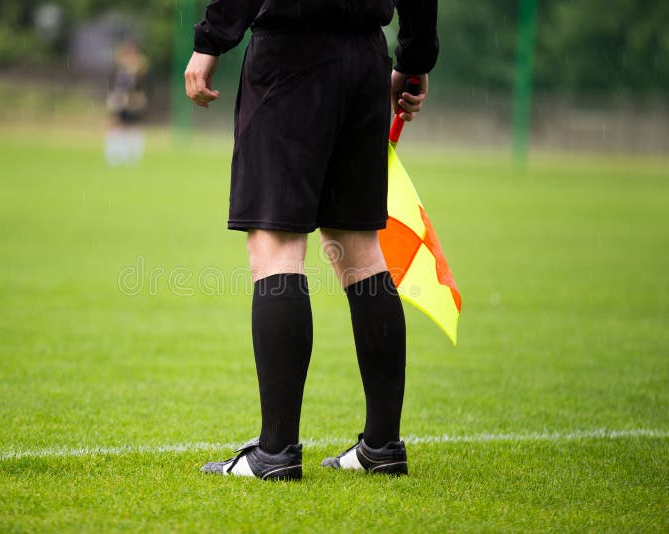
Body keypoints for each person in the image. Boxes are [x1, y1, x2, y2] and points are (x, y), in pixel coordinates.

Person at [185, 1, 438, 480]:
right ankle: (382, 446)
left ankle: (275, 453)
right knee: (360, 250)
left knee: (276, 246)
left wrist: (211, 41)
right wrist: (415, 58)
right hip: (365, 60)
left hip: (291, 56)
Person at [105, 41, 149, 166]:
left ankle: (133, 158)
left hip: (134, 102)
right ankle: (115, 156)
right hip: (120, 100)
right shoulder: (120, 69)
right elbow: (115, 84)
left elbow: (141, 85)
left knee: (133, 127)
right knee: (116, 125)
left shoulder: (140, 68)